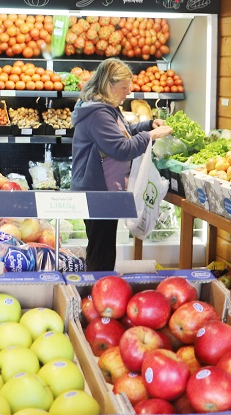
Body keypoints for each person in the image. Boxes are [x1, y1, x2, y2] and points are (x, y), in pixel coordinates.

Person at [71, 58, 172, 272]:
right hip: (98, 191)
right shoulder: (98, 113)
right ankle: (96, 293)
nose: (128, 93)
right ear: (108, 85)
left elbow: (122, 132)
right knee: (101, 251)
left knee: (103, 247)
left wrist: (146, 125)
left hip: (104, 190)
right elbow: (121, 148)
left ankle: (99, 290)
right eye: (124, 88)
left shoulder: (105, 108)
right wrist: (151, 135)